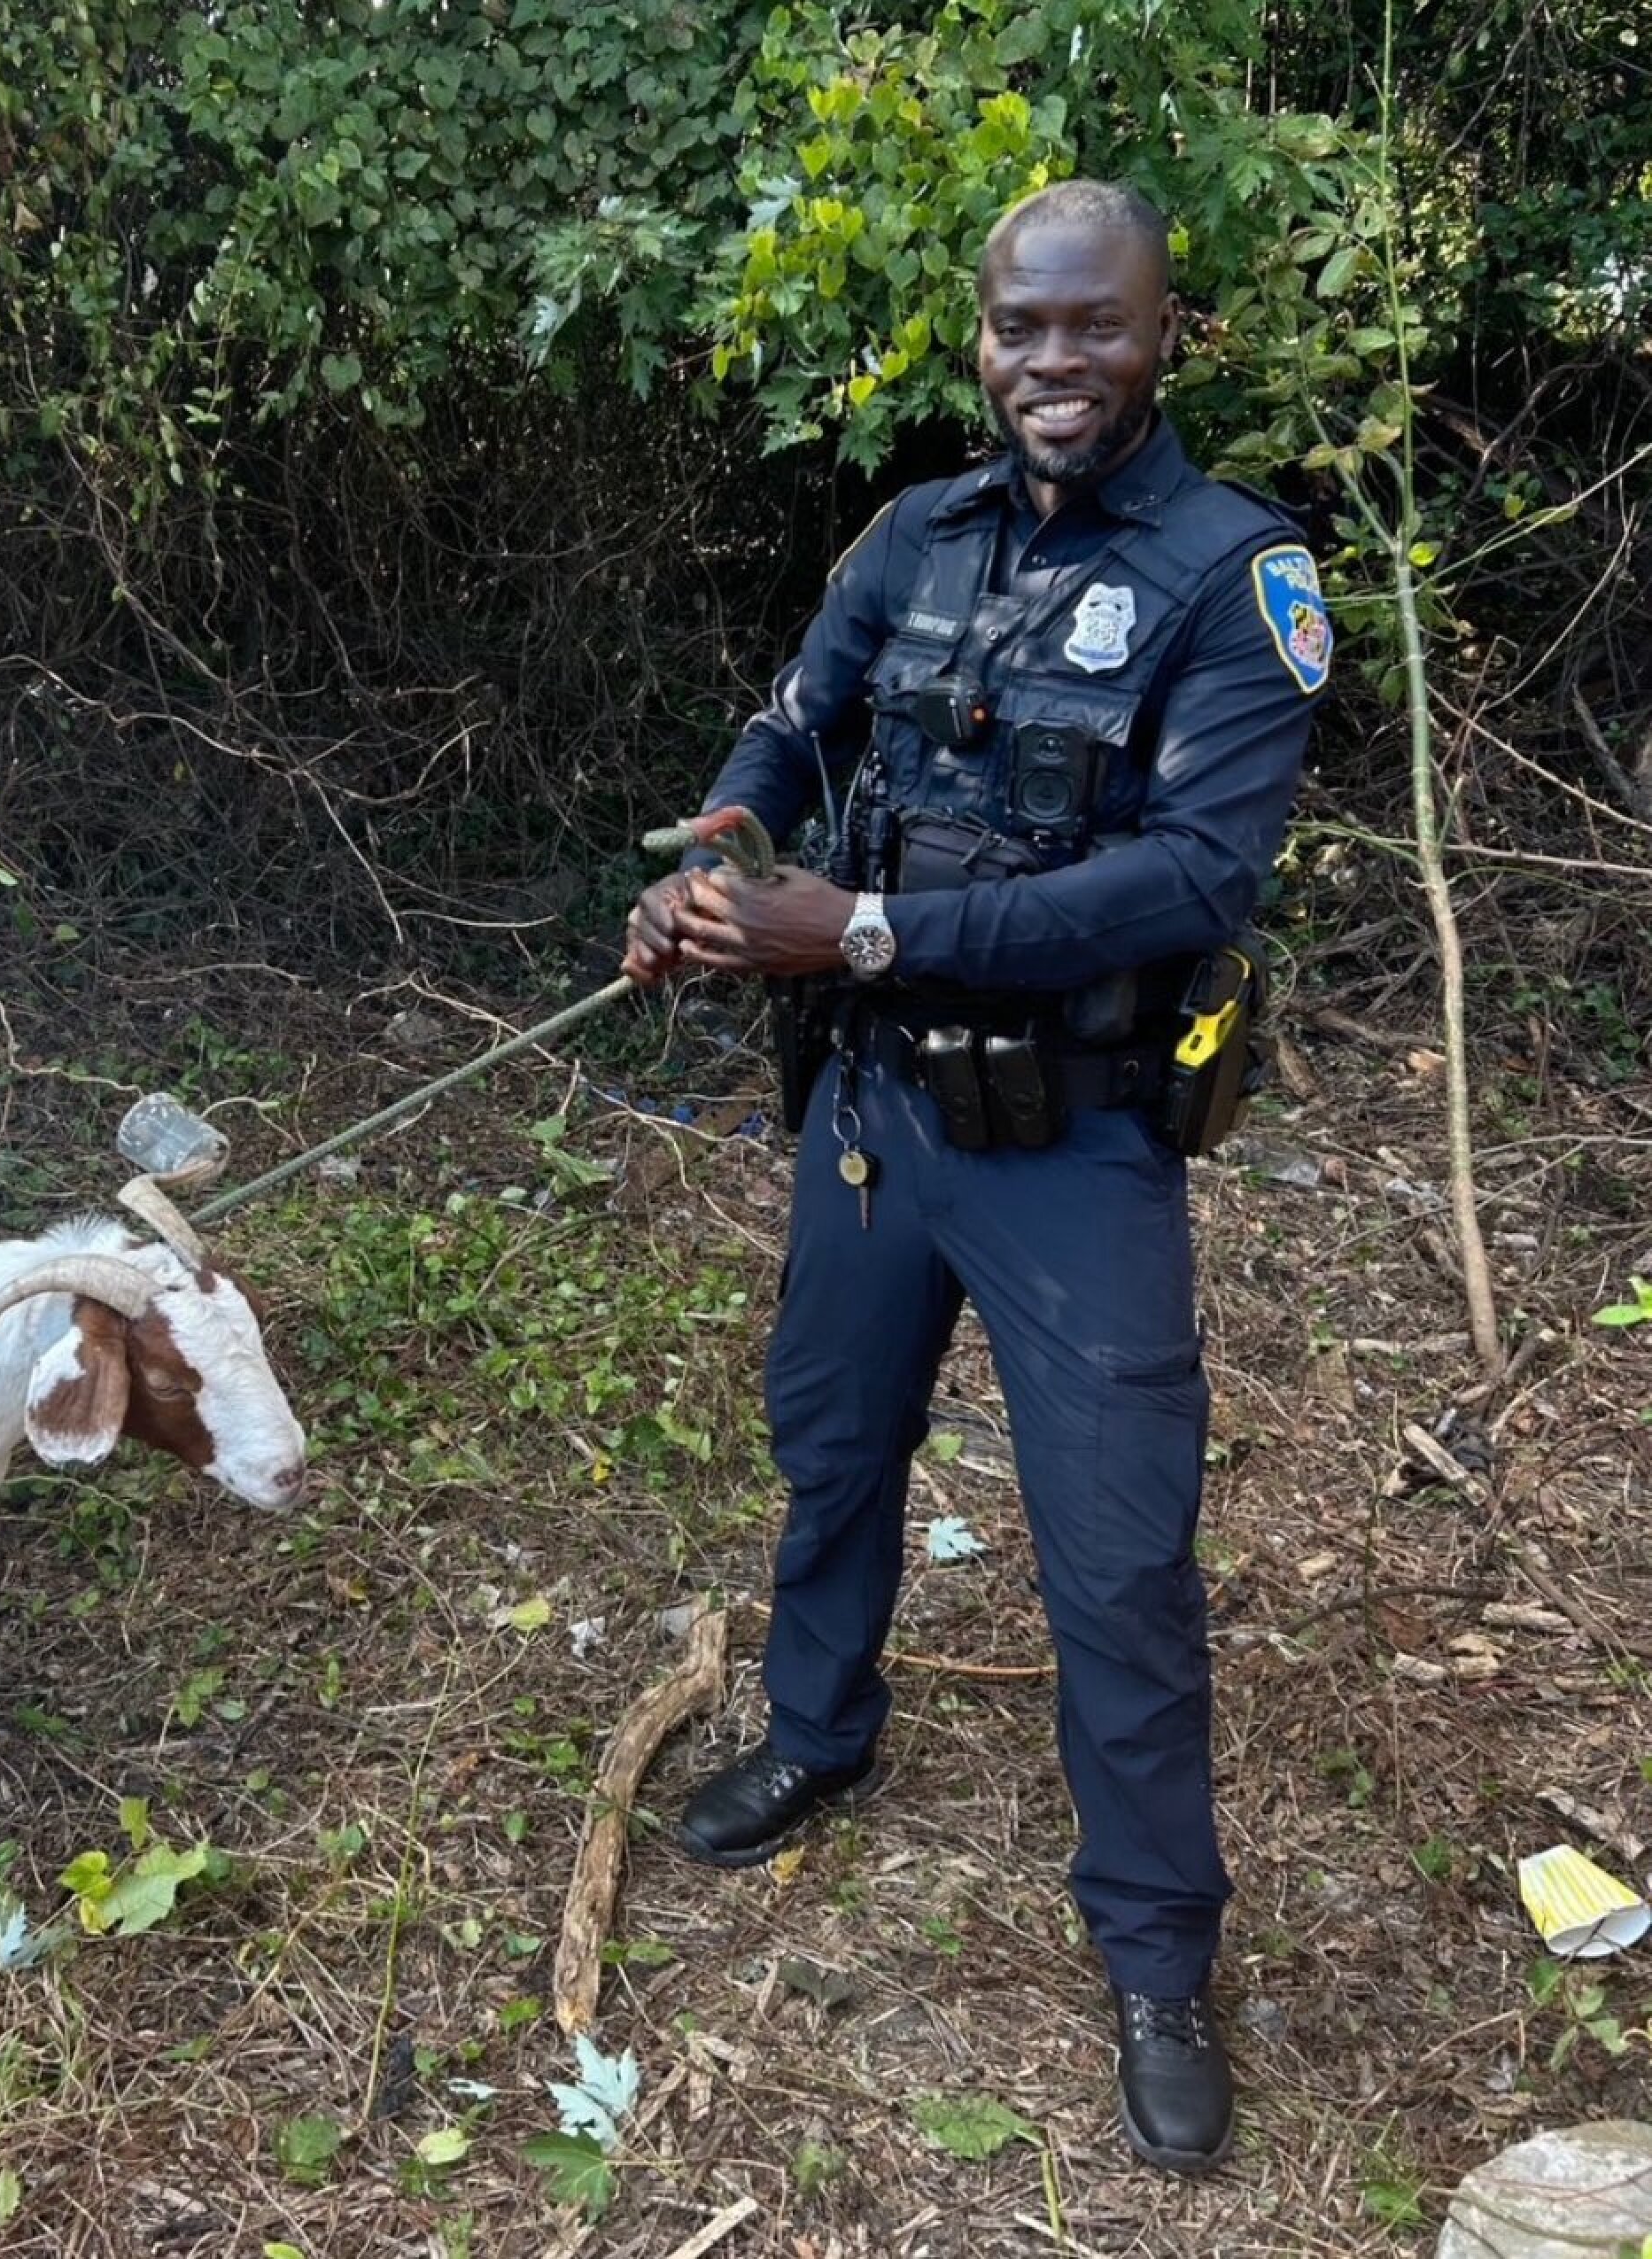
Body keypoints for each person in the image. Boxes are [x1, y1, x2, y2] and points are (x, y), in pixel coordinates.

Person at [622, 178, 1331, 2175]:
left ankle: (1157, 1956)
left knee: (1115, 1560)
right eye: (1021, 328)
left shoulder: (1235, 573)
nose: (1050, 364)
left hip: (1074, 1146)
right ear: (985, 336)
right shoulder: (909, 538)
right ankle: (818, 1736)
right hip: (870, 1125)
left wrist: (846, 929)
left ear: (1163, 331)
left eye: (1091, 327)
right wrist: (719, 859)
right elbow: (791, 723)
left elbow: (1196, 878)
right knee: (831, 1446)